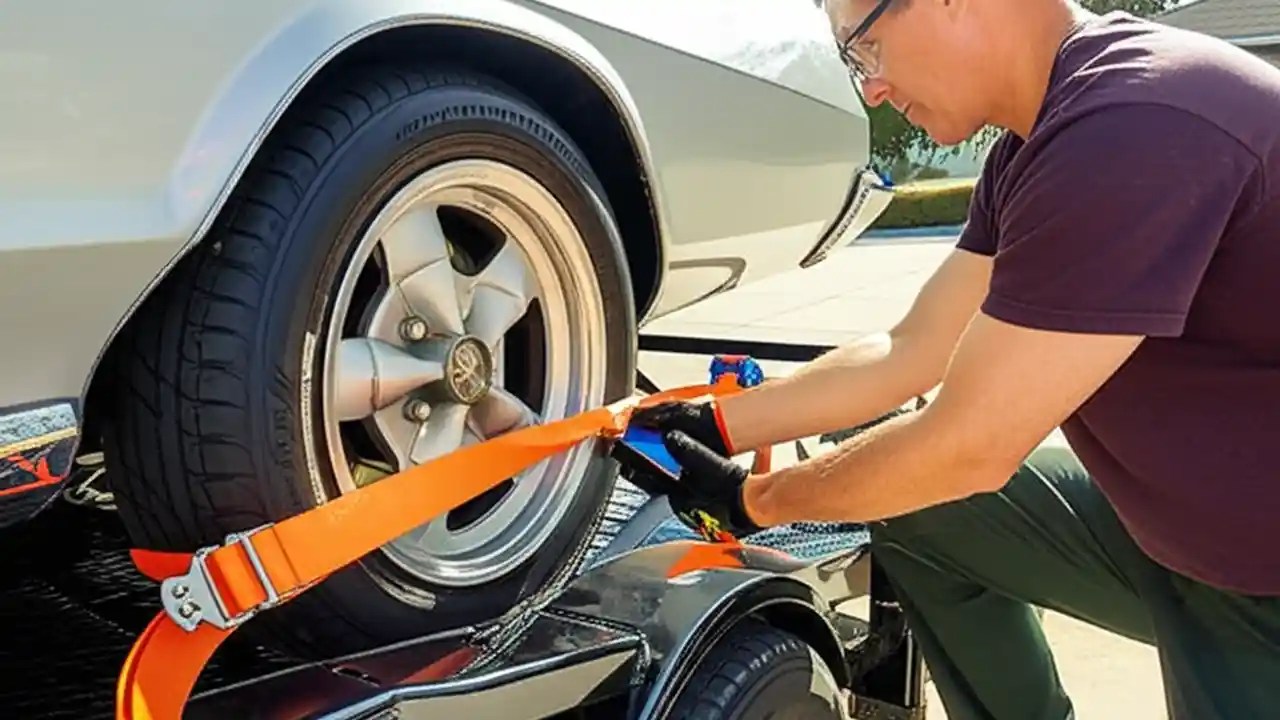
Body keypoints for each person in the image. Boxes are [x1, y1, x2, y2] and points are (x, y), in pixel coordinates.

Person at [630, 1, 1280, 718]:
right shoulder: (1038, 144)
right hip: (1173, 528)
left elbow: (971, 447)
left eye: (866, 47)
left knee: (929, 470)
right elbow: (908, 352)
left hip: (1260, 580)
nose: (869, 88)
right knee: (915, 503)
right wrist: (710, 425)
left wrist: (753, 505)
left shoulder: (1137, 123)